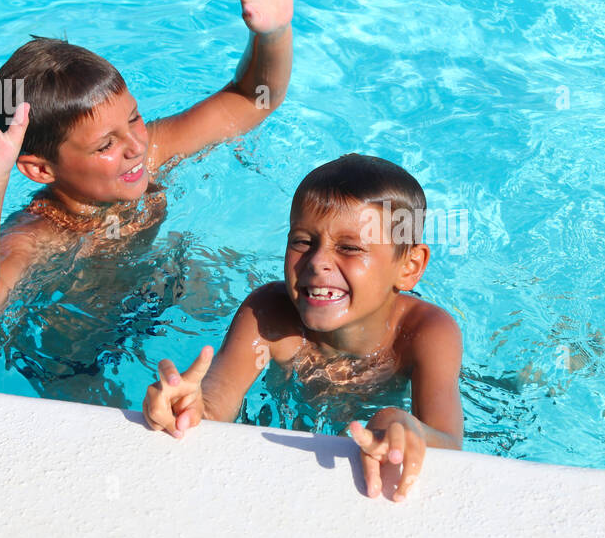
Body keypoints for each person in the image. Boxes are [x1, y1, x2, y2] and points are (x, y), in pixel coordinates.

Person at [0, 0, 299, 332]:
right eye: (105, 146)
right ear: (41, 170)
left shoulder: (147, 153)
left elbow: (254, 99)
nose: (135, 145)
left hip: (156, 282)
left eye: (133, 118)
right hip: (76, 339)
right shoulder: (40, 235)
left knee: (279, 307)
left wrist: (271, 34)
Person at [142, 154, 465, 502]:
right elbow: (217, 399)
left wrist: (406, 424)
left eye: (350, 248)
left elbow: (450, 441)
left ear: (410, 266)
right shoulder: (269, 315)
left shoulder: (426, 333)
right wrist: (189, 406)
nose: (318, 262)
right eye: (302, 241)